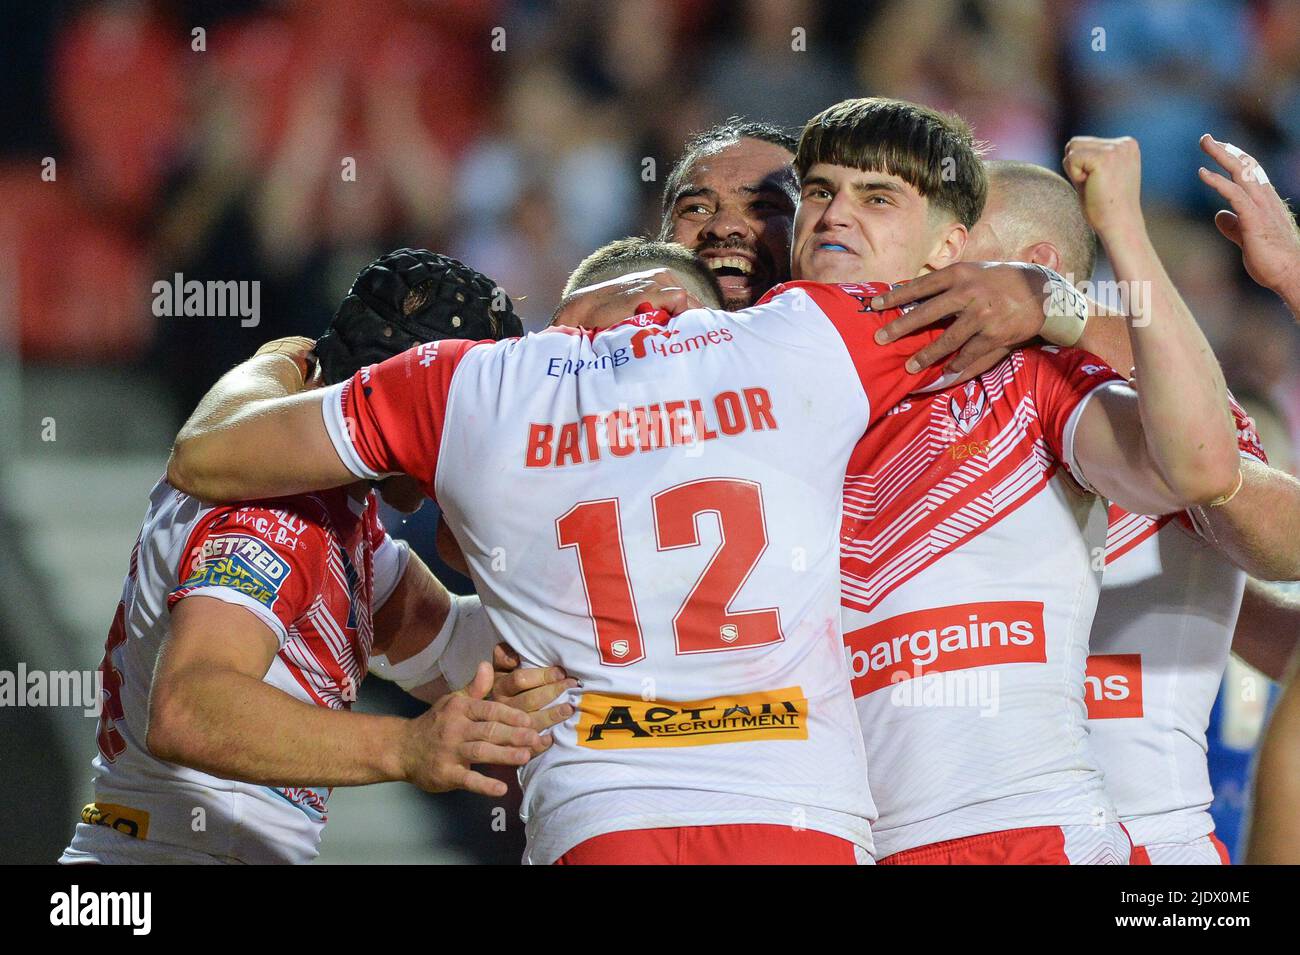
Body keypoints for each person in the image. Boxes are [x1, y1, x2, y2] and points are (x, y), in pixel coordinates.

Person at [61, 251, 566, 865]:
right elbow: (187, 706)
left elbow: (456, 647)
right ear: (410, 399)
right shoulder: (280, 512)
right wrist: (405, 747)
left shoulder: (320, 499)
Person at [960, 155, 1298, 864]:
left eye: (959, 235)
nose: (933, 253)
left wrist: (1295, 281)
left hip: (1146, 859)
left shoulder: (1166, 420)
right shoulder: (909, 413)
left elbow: (1287, 540)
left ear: (1039, 263)